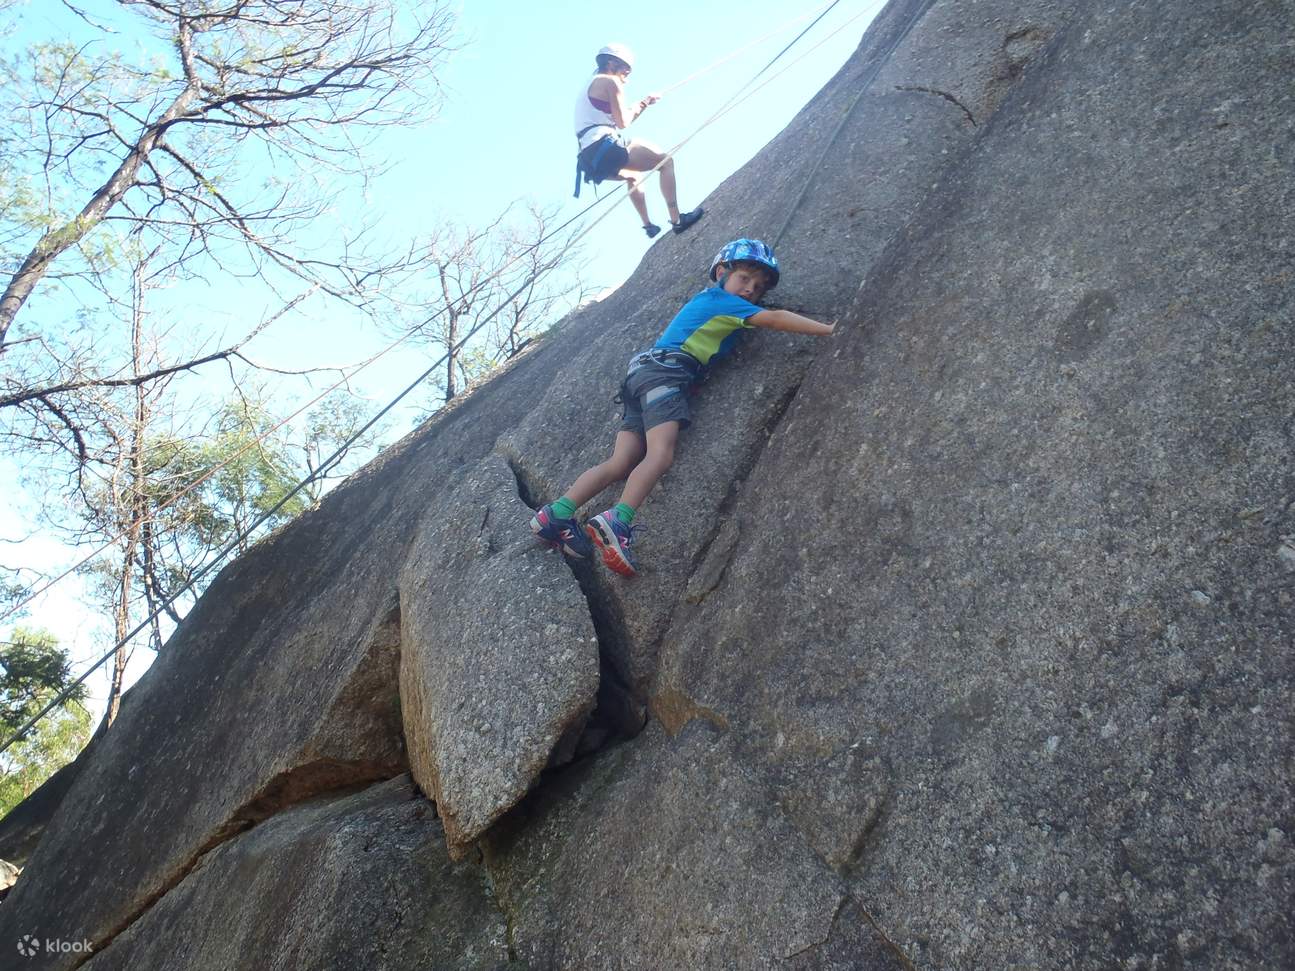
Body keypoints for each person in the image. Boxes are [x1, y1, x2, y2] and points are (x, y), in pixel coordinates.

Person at [530, 239, 835, 576]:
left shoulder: (710, 300)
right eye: (744, 278)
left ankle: (556, 514)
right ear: (722, 273)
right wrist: (831, 330)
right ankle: (618, 521)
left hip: (640, 374)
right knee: (660, 454)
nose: (750, 290)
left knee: (621, 462)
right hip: (666, 373)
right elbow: (775, 318)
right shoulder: (724, 302)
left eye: (758, 286)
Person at [574, 43, 705, 238]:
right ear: (611, 63)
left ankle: (648, 226)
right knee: (666, 162)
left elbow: (618, 121)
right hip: (604, 146)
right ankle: (677, 220)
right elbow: (624, 122)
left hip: (589, 157)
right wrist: (643, 103)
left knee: (633, 176)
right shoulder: (610, 82)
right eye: (626, 67)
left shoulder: (590, 84)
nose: (628, 73)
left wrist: (644, 104)